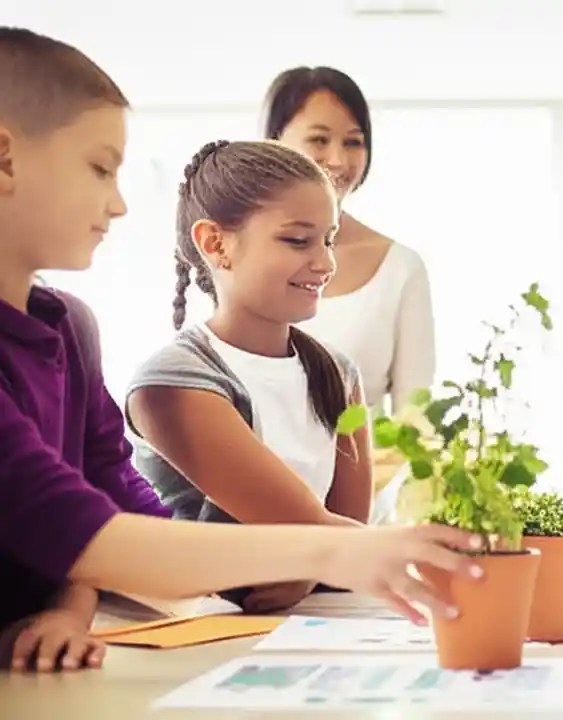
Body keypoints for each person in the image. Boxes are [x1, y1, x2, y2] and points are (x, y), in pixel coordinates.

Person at [0, 27, 481, 674]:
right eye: (100, 168)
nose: (118, 203)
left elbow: (111, 514)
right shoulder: (175, 377)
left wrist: (68, 607)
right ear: (5, 160)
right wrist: (328, 550)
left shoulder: (72, 329)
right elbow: (75, 526)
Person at [126, 139, 371, 614]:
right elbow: (322, 537)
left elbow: (341, 540)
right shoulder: (172, 382)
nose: (325, 263)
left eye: (328, 239)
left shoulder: (340, 374)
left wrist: (311, 568)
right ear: (215, 244)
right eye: (297, 240)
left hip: (295, 624)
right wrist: (317, 560)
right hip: (193, 624)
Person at [262, 67, 434, 523]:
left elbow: (414, 419)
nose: (337, 159)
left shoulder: (401, 267)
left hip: (359, 520)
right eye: (319, 139)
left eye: (353, 142)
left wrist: (338, 505)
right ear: (275, 141)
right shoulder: (239, 258)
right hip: (249, 513)